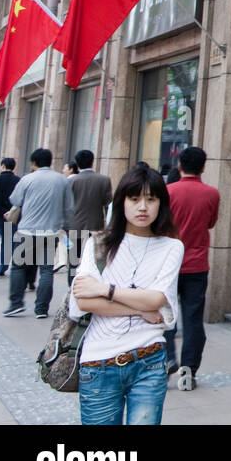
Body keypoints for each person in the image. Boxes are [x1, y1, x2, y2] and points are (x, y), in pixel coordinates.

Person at [69, 164, 183, 425]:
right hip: (99, 364)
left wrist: (105, 290)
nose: (142, 207)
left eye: (151, 199)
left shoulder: (171, 247)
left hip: (149, 361)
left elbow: (156, 299)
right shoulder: (98, 244)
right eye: (134, 199)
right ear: (121, 203)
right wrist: (140, 309)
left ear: (160, 204)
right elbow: (84, 300)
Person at [162, 146, 219, 390]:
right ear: (204, 167)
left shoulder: (167, 192)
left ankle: (167, 359)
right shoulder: (212, 194)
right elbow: (210, 222)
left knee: (165, 317)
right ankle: (189, 372)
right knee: (193, 319)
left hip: (168, 265)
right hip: (197, 265)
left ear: (179, 165)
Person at [4, 148, 73, 318]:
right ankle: (41, 309)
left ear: (33, 163)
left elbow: (15, 200)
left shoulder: (27, 179)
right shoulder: (62, 180)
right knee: (46, 270)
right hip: (51, 232)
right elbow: (69, 207)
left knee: (19, 267)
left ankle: (16, 303)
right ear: (50, 162)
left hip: (27, 230)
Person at [66, 149, 113, 280]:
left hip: (74, 227)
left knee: (74, 261)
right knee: (94, 260)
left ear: (77, 163)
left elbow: (67, 205)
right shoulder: (104, 180)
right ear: (93, 162)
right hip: (96, 227)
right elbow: (108, 204)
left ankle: (73, 287)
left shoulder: (71, 181)